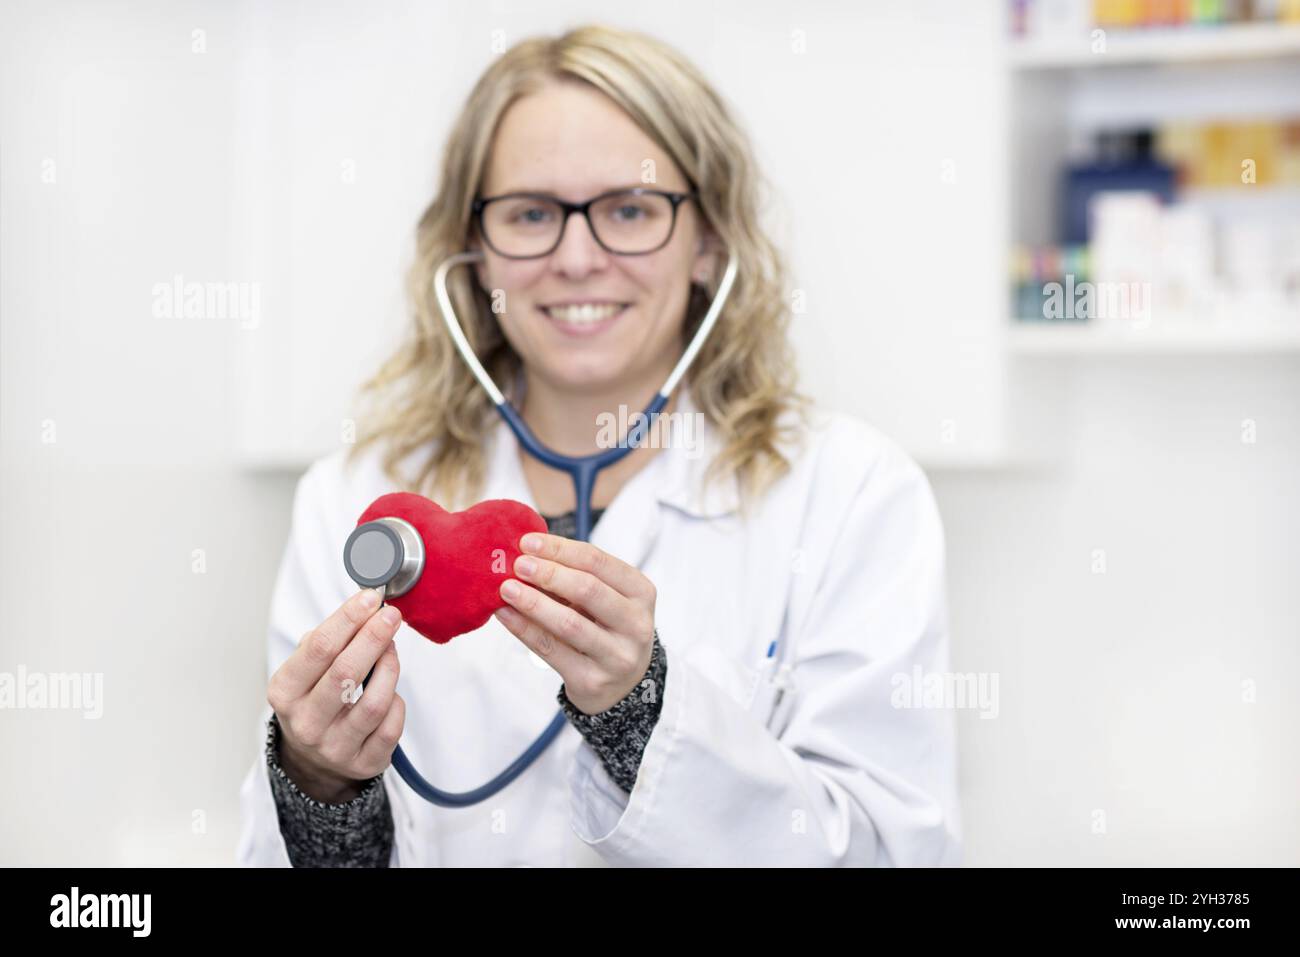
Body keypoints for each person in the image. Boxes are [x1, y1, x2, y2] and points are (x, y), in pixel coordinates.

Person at [237, 24, 961, 867]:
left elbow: (890, 852)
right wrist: (321, 789)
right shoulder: (354, 498)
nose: (577, 258)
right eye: (532, 214)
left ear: (710, 242)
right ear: (473, 255)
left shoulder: (850, 495)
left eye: (629, 209)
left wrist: (641, 710)